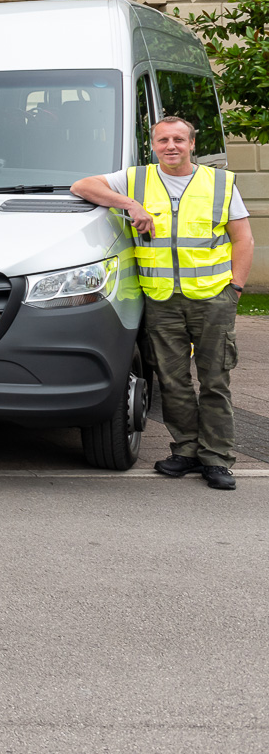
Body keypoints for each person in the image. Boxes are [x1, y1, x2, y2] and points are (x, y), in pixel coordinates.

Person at [71, 115, 255, 490]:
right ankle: (185, 451)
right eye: (163, 140)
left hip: (213, 299)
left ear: (192, 144)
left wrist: (235, 287)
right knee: (173, 382)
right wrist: (130, 205)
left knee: (215, 382)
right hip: (161, 301)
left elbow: (243, 239)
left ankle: (216, 459)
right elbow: (82, 186)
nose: (171, 146)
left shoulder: (220, 183)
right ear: (153, 145)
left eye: (179, 140)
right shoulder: (136, 179)